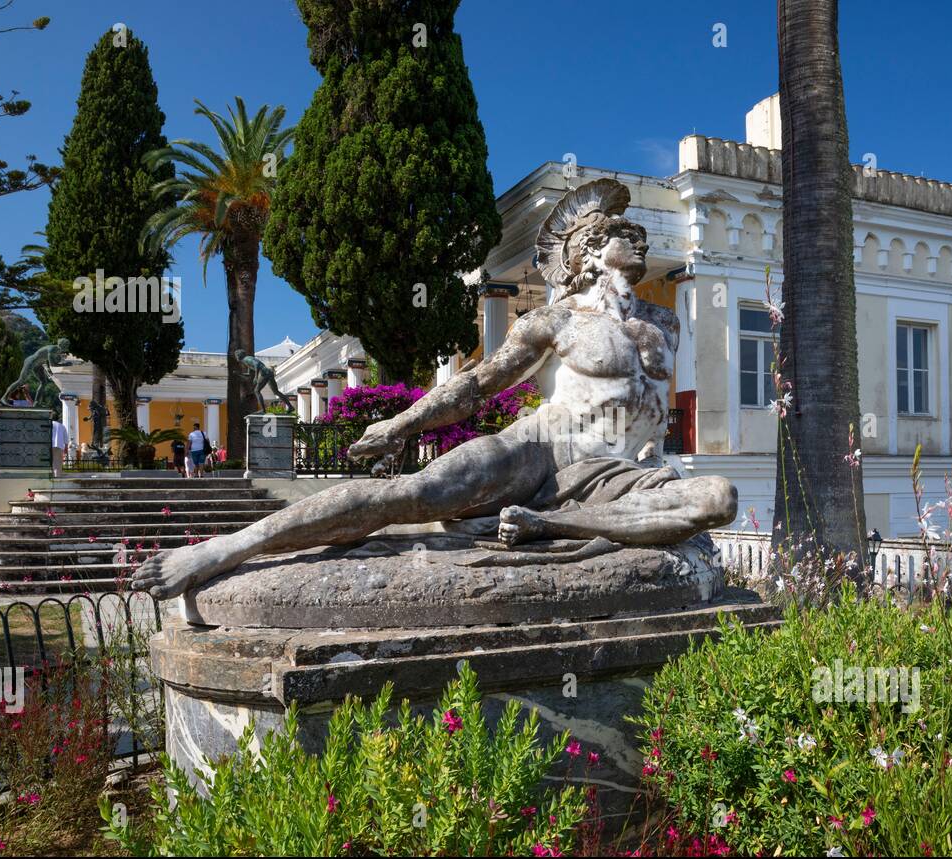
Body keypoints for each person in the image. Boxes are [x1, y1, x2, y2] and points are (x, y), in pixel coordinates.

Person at [133, 179, 737, 599]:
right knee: (413, 493)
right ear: (584, 252)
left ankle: (549, 526)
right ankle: (228, 548)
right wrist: (399, 425)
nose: (633, 233)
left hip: (628, 473)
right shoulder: (554, 322)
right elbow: (473, 386)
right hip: (546, 447)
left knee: (718, 499)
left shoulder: (666, 321)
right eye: (615, 230)